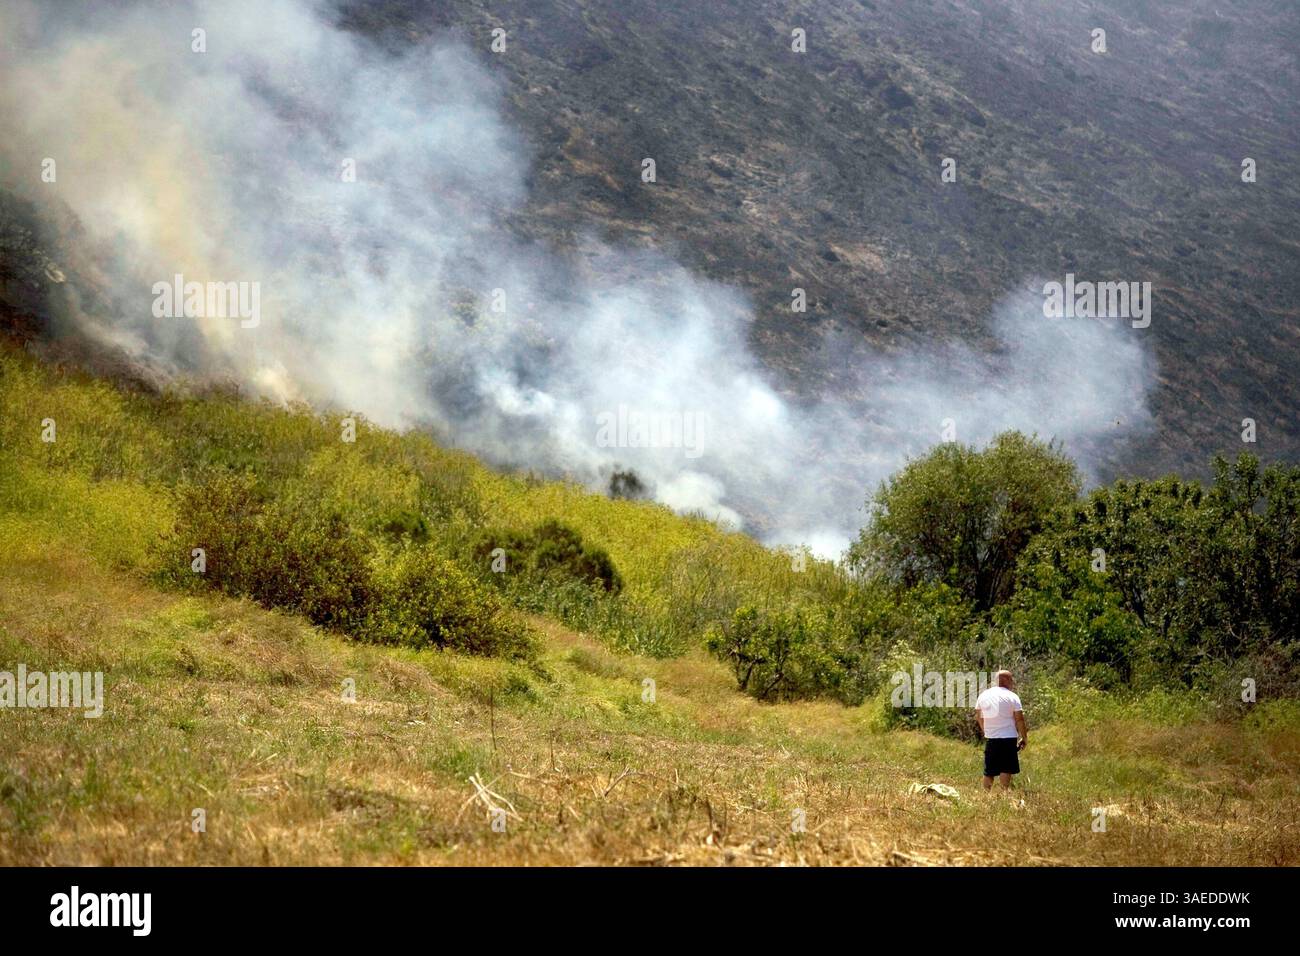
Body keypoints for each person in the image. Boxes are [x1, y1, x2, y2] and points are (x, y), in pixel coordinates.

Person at [974, 670, 1027, 790]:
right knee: (1006, 767)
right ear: (1007, 681)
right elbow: (1019, 720)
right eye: (1011, 680)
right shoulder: (1012, 697)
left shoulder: (983, 695)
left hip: (991, 738)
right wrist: (1024, 737)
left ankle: (986, 794)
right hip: (1008, 737)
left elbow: (979, 716)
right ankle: (1003, 793)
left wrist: (985, 731)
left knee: (989, 770)